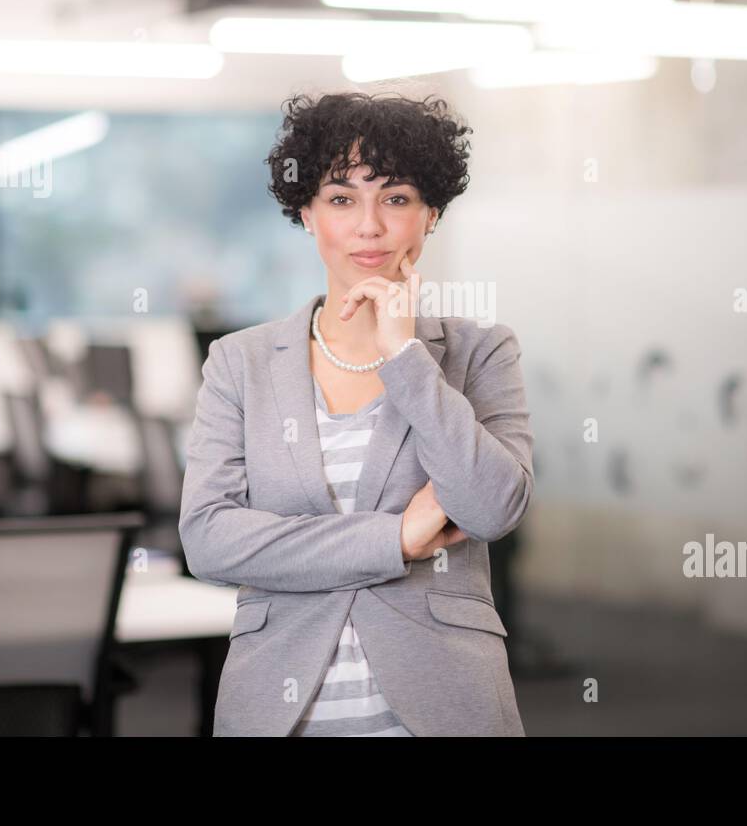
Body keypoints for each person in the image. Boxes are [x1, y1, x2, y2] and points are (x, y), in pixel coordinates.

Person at [179, 91, 534, 736]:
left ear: (430, 215)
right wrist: (394, 538)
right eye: (342, 198)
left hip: (442, 708)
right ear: (308, 215)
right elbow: (208, 538)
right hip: (280, 710)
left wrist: (403, 355)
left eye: (395, 198)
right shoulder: (240, 362)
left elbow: (491, 508)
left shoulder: (480, 351)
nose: (369, 225)